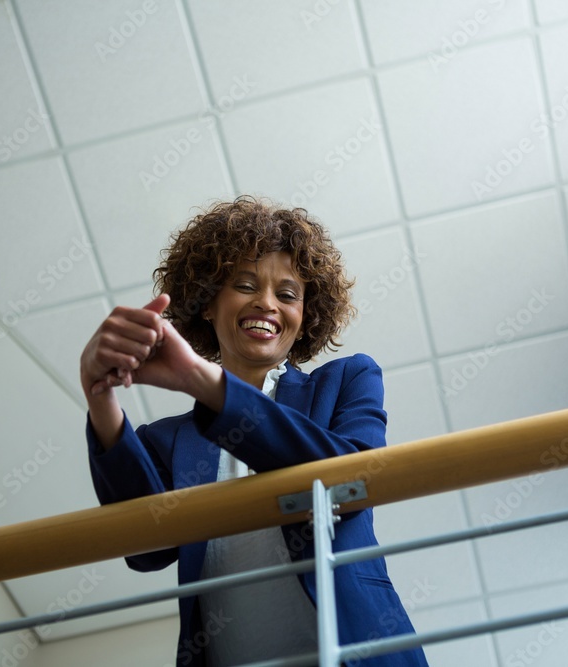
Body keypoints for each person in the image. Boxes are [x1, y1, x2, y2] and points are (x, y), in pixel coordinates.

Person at [80, 196, 429, 666]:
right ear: (208, 305)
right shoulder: (165, 440)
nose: (266, 303)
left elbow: (354, 477)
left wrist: (201, 381)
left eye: (287, 294)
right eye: (244, 285)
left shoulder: (346, 380)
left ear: (304, 315)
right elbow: (145, 549)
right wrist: (100, 393)